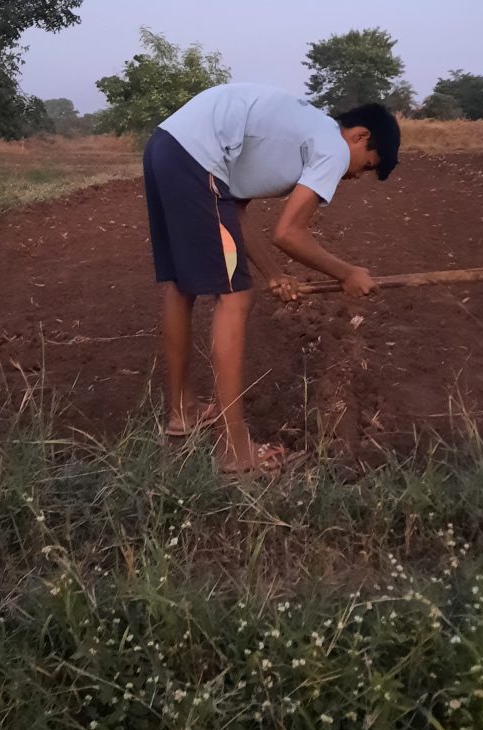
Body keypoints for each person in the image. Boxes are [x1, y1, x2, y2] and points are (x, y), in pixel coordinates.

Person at [142, 82, 400, 472]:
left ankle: (182, 414)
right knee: (236, 298)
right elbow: (289, 233)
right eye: (366, 165)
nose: (357, 176)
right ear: (360, 136)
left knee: (181, 286)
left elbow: (232, 211)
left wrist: (274, 275)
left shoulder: (302, 131)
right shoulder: (331, 145)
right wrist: (348, 273)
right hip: (196, 157)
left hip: (166, 146)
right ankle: (235, 451)